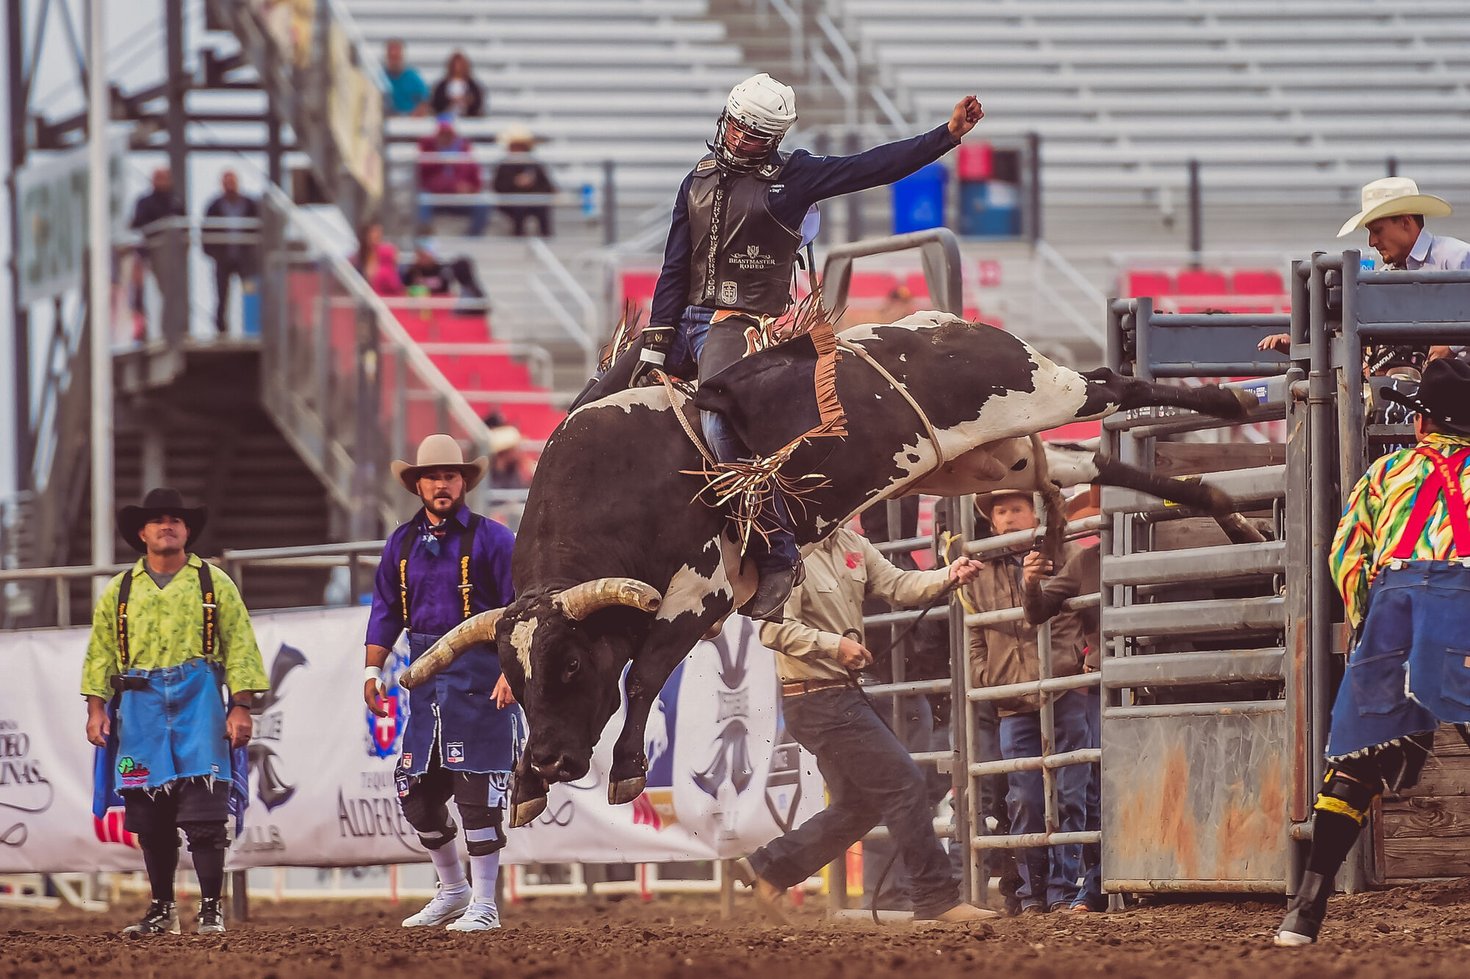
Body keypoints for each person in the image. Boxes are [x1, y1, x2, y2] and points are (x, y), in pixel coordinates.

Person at [630, 74, 984, 621]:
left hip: (745, 319)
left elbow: (872, 166)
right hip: (686, 321)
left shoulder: (796, 175)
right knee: (611, 387)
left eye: (751, 133)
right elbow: (674, 267)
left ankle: (776, 550)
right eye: (735, 126)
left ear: (771, 138)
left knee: (720, 419)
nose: (738, 138)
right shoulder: (695, 179)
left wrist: (946, 135)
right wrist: (655, 343)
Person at [1276, 358, 1470, 947]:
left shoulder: (1386, 473)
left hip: (1395, 606)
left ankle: (1306, 911)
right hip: (1464, 606)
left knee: (1357, 760)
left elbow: (1345, 557)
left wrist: (1370, 629)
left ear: (1421, 423)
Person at [734, 524, 995, 924]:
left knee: (861, 805)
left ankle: (771, 869)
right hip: (819, 697)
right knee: (905, 782)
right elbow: (772, 627)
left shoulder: (854, 543)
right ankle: (937, 898)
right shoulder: (786, 554)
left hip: (831, 695)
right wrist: (833, 645)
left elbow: (899, 584)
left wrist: (948, 574)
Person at [81, 487, 266, 936]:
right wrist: (95, 707)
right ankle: (162, 909)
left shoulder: (214, 583)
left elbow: (239, 644)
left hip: (199, 700)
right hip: (139, 704)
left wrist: (240, 706)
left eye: (176, 519)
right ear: (142, 532)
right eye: (158, 519)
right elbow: (102, 651)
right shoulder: (119, 591)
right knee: (148, 814)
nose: (168, 525)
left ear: (186, 530)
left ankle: (209, 909)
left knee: (205, 813)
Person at [365, 434, 518, 932]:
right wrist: (372, 669)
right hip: (426, 687)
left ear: (463, 482)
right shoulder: (402, 543)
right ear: (418, 485)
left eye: (450, 476)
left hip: (481, 680)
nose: (442, 484)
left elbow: (520, 608)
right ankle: (454, 890)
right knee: (415, 794)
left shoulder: (493, 539)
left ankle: (486, 904)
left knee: (477, 792)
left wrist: (510, 671)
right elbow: (387, 610)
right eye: (433, 476)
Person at [964, 489, 1090, 915]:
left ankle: (1063, 892)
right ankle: (1034, 894)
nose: (1009, 517)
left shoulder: (1067, 555)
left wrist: (1078, 662)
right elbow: (975, 636)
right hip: (1012, 699)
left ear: (1036, 514)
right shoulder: (978, 572)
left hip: (1064, 690)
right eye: (1001, 511)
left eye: (1017, 508)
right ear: (992, 521)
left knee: (1071, 793)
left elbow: (1085, 618)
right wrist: (989, 677)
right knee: (1026, 800)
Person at [1259, 178, 1470, 366]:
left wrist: (1452, 347)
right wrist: (1304, 346)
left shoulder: (1457, 256)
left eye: (1377, 231)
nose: (1372, 241)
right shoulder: (1386, 275)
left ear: (1406, 222)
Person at [1018, 488, 1104, 913]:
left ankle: (1090, 888)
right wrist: (1030, 584)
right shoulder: (1086, 562)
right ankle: (1090, 889)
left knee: (1090, 788)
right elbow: (1039, 611)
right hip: (1103, 689)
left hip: (1121, 683)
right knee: (1091, 790)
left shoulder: (1095, 560)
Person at [201, 170, 260, 335]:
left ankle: (251, 329)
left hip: (247, 258)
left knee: (250, 292)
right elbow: (206, 231)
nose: (230, 186)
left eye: (232, 182)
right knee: (222, 295)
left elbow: (261, 229)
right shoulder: (214, 205)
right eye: (227, 182)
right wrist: (212, 252)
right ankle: (221, 330)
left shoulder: (250, 204)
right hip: (223, 258)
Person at [129, 167, 186, 323]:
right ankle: (144, 328)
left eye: (163, 177)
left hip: (170, 254)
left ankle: (170, 327)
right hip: (149, 253)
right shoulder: (144, 202)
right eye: (157, 177)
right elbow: (137, 224)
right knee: (144, 291)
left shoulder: (176, 201)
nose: (160, 181)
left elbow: (183, 225)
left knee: (169, 292)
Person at [418, 116, 489, 236]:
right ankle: (425, 238)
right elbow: (422, 177)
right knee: (422, 200)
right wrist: (452, 185)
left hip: (460, 198)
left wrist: (470, 189)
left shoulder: (464, 150)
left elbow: (476, 180)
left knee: (483, 203)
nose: (446, 137)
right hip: (436, 196)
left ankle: (472, 238)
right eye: (443, 133)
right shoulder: (428, 147)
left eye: (448, 133)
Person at [491, 125, 555, 238]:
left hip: (532, 200)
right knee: (519, 207)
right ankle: (518, 237)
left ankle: (547, 237)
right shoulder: (503, 166)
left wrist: (532, 184)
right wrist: (515, 183)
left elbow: (548, 187)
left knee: (542, 208)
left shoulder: (535, 165)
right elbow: (498, 187)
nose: (518, 150)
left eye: (520, 147)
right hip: (510, 202)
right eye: (515, 147)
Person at [401, 237, 489, 312]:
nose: (423, 258)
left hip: (442, 307)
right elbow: (404, 290)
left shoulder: (444, 270)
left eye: (425, 255)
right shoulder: (410, 271)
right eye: (420, 255)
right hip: (419, 308)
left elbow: (449, 289)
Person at [430, 50, 485, 118]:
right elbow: (437, 102)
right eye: (455, 64)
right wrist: (450, 101)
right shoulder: (442, 85)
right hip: (447, 119)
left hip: (468, 118)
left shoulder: (472, 85)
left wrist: (468, 101)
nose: (457, 67)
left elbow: (478, 102)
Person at [355, 222, 404, 296]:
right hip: (369, 299)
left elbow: (396, 282)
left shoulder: (388, 252)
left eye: (379, 232)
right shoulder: (358, 258)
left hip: (389, 299)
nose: (377, 235)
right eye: (373, 232)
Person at [384, 39, 430, 116]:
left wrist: (414, 115)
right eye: (391, 57)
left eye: (396, 57)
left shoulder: (413, 78)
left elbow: (424, 102)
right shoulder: (380, 78)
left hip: (409, 122)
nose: (394, 61)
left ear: (402, 56)